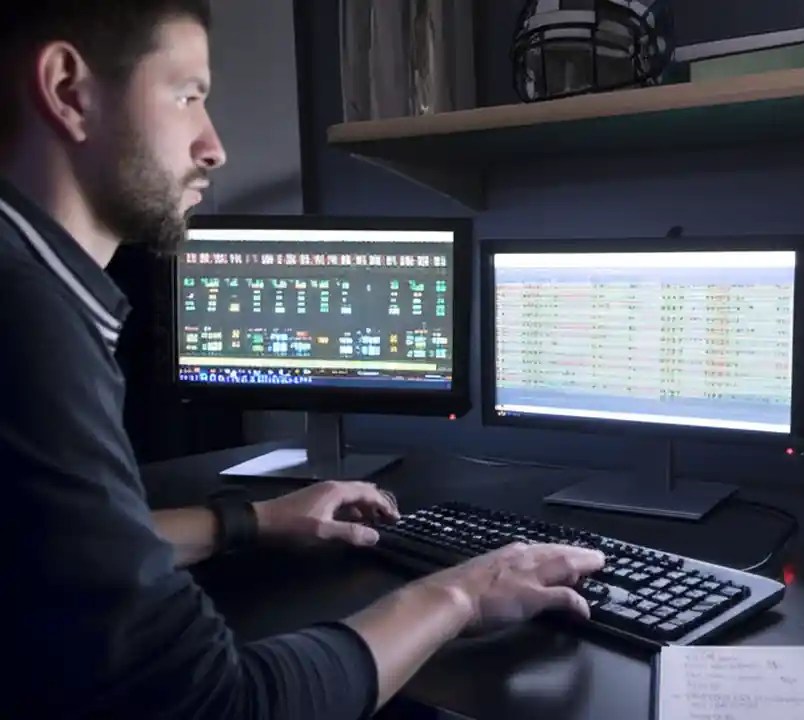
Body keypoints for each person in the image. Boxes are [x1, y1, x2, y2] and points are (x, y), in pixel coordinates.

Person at [0, 2, 604, 718]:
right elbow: (220, 706)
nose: (214, 147)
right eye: (188, 96)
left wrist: (254, 520)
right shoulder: (28, 324)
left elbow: (66, 553)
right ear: (68, 89)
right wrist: (461, 594)